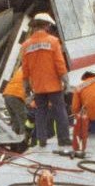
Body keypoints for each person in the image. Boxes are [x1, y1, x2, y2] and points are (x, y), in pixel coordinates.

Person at [19, 13, 74, 152]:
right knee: (60, 111)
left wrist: (26, 87)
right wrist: (66, 82)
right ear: (46, 26)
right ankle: (64, 139)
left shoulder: (26, 45)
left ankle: (42, 140)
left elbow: (25, 69)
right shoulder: (53, 41)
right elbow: (60, 64)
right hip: (53, 85)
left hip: (38, 86)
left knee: (40, 112)